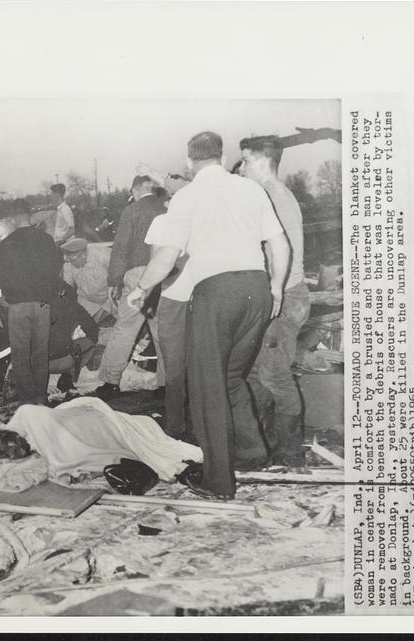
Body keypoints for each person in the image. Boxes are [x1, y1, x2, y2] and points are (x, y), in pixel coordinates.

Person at [127, 131, 290, 500]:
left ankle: (218, 481)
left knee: (206, 387)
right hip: (257, 288)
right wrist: (276, 287)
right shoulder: (250, 189)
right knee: (232, 376)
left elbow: (166, 257)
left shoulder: (186, 197)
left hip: (216, 292)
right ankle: (252, 451)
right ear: (220, 156)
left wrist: (141, 289)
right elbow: (279, 243)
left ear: (190, 161)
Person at [239, 135, 311, 467]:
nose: (241, 168)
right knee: (256, 373)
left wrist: (273, 293)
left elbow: (275, 253)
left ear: (265, 163)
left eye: (246, 161)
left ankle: (290, 453)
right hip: (277, 293)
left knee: (273, 375)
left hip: (282, 296)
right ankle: (263, 445)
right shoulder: (268, 195)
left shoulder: (274, 198)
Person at [96, 175, 166, 399]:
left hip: (138, 274)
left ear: (135, 190)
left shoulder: (132, 210)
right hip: (164, 273)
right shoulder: (167, 208)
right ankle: (166, 383)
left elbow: (120, 248)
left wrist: (113, 281)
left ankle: (110, 382)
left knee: (125, 328)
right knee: (162, 332)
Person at [142, 174, 193, 441]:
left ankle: (175, 425)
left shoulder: (161, 222)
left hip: (173, 298)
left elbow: (156, 265)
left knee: (174, 363)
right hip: (202, 297)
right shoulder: (202, 219)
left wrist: (147, 294)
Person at [0, 198, 64, 404]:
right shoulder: (45, 238)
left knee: (20, 355)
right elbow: (57, 267)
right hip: (43, 303)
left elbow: (3, 275)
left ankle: (27, 401)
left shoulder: (6, 243)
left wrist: (6, 297)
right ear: (30, 215)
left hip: (18, 304)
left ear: (13, 218)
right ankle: (41, 398)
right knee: (40, 353)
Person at [48, 280, 100, 392]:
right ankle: (68, 377)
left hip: (35, 362)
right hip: (62, 361)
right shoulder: (73, 306)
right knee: (90, 342)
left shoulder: (39, 306)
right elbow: (93, 330)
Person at [60, 237, 114, 322]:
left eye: (73, 261)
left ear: (83, 255)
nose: (71, 264)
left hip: (110, 298)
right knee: (81, 326)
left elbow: (121, 274)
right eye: (69, 260)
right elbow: (66, 288)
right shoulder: (69, 262)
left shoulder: (104, 255)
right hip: (87, 300)